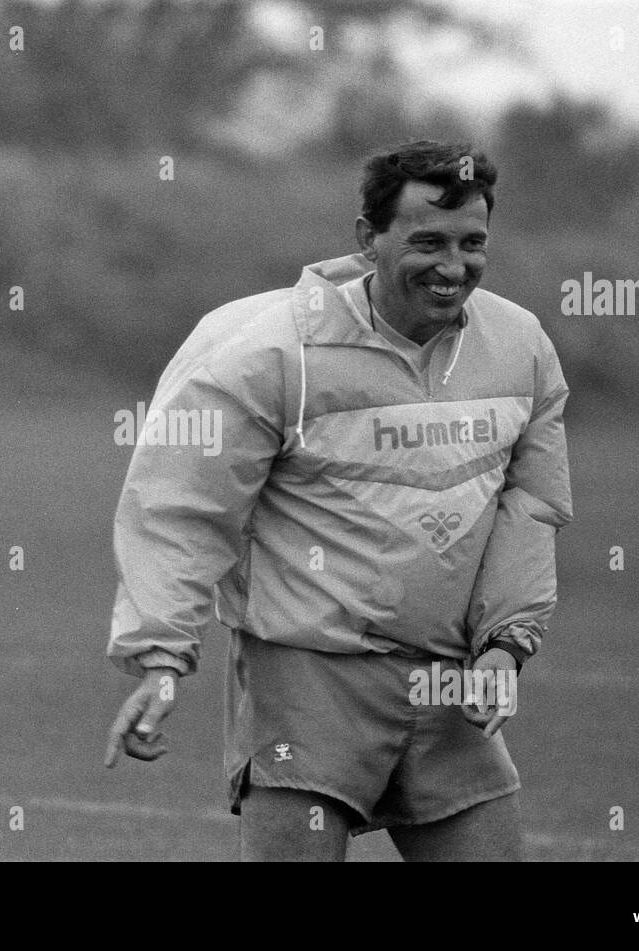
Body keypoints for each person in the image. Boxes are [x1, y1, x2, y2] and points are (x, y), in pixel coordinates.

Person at [103, 141, 573, 861]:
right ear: (368, 238)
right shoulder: (270, 352)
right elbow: (181, 508)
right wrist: (161, 659)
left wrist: (507, 646)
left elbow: (530, 508)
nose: (454, 267)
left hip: (449, 681)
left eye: (472, 243)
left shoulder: (520, 345)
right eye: (427, 242)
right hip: (307, 682)